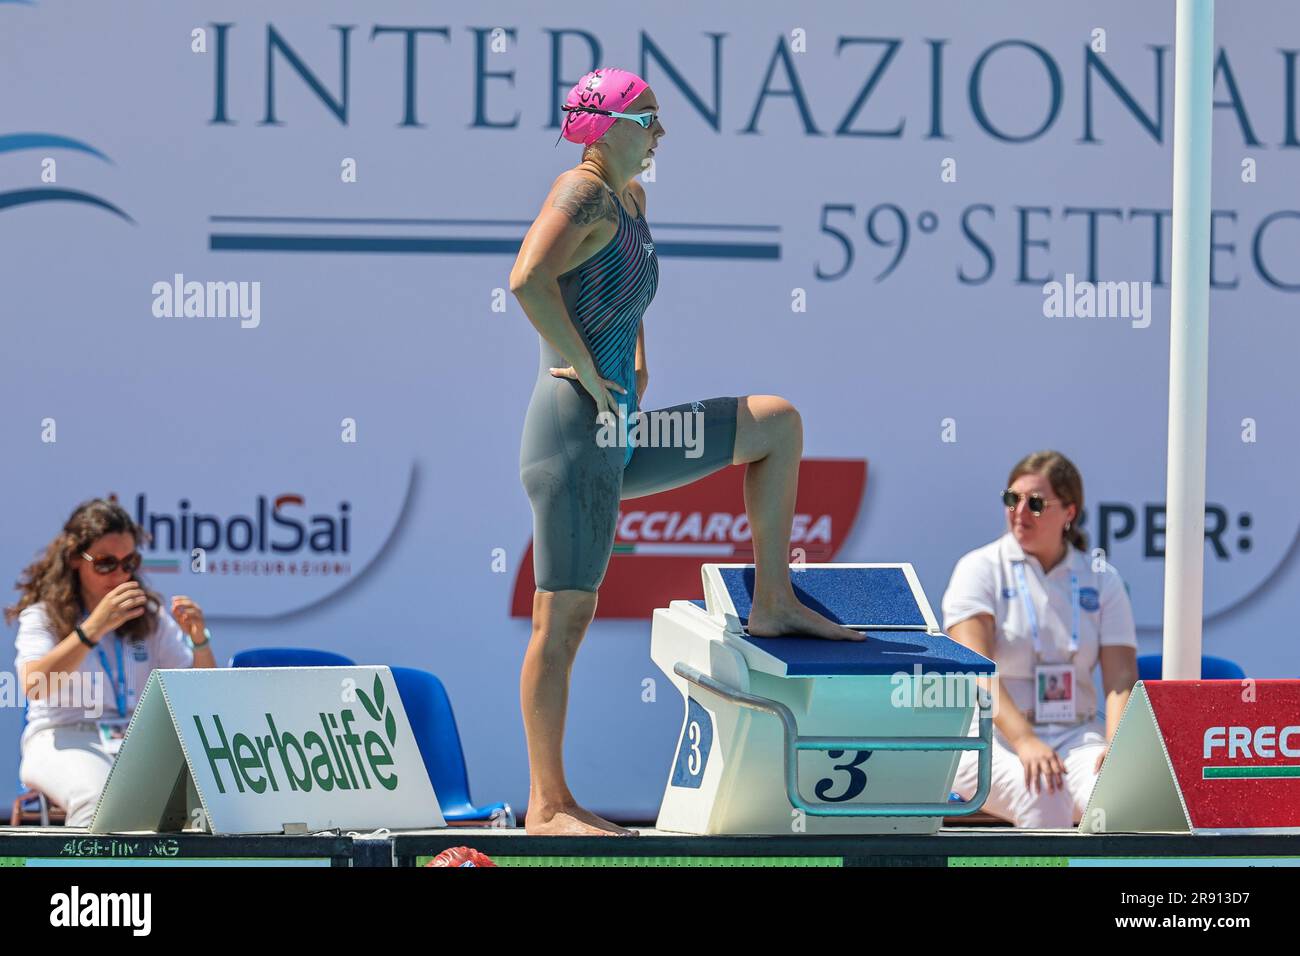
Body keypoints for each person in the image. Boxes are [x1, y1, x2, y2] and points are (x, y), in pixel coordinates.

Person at [510, 68, 862, 836]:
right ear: (604, 127)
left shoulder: (631, 199)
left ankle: (773, 601)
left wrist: (636, 359)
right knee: (561, 619)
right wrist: (584, 366)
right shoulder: (583, 190)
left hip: (624, 431)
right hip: (577, 432)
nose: (660, 133)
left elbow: (619, 293)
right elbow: (527, 279)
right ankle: (546, 806)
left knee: (774, 423)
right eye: (648, 119)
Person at [942, 451, 1138, 828]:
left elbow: (1120, 679)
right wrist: (1026, 741)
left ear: (1069, 513)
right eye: (1011, 499)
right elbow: (976, 672)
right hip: (991, 737)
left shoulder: (1102, 578)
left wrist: (1117, 745)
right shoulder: (979, 568)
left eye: (1035, 504)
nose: (1019, 512)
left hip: (1077, 733)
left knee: (1115, 795)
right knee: (1043, 792)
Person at [5, 498, 217, 827]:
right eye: (105, 563)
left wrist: (200, 640)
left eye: (129, 562)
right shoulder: (44, 615)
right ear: (75, 559)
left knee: (206, 798)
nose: (119, 574)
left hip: (137, 738)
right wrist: (93, 628)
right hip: (62, 736)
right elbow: (35, 685)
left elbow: (199, 695)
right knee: (101, 803)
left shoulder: (149, 616)